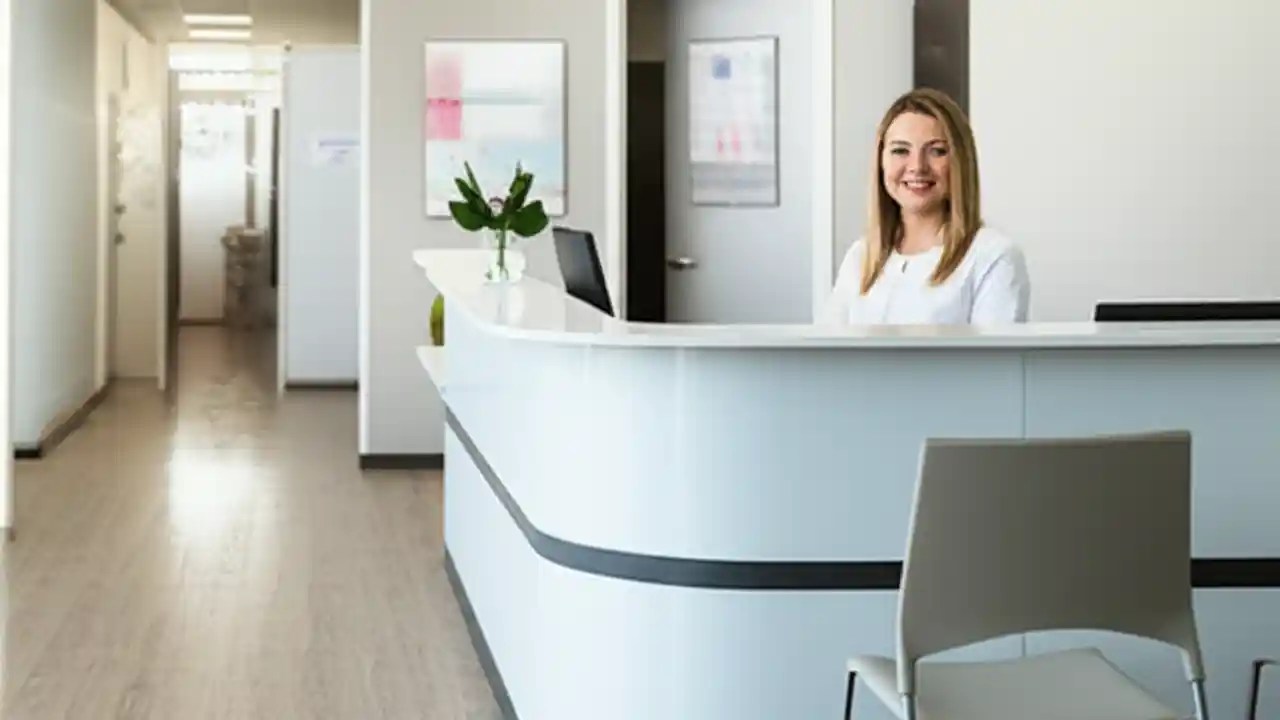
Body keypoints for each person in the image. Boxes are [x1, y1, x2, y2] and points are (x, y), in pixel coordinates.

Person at [820, 88, 1030, 325]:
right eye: (900, 150)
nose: (917, 166)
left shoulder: (994, 257)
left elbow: (994, 361)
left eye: (937, 151)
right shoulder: (861, 256)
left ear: (960, 161)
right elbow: (827, 355)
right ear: (881, 161)